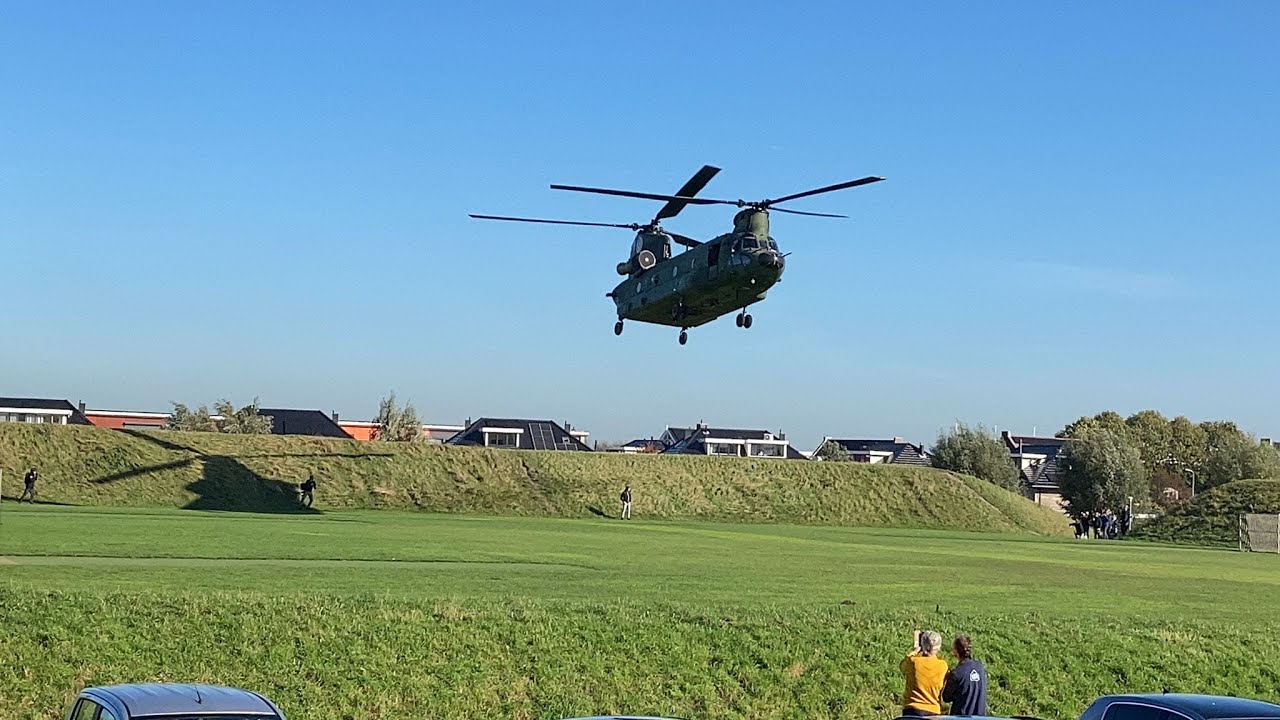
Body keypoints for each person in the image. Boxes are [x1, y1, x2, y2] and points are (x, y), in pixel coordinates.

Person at [900, 630, 948, 717]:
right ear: (938, 647)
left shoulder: (913, 662)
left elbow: (902, 667)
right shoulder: (943, 666)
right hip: (933, 711)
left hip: (912, 710)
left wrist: (915, 651)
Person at [942, 634, 988, 716]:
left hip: (961, 716)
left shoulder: (956, 674)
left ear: (956, 651)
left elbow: (946, 697)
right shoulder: (980, 667)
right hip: (980, 716)